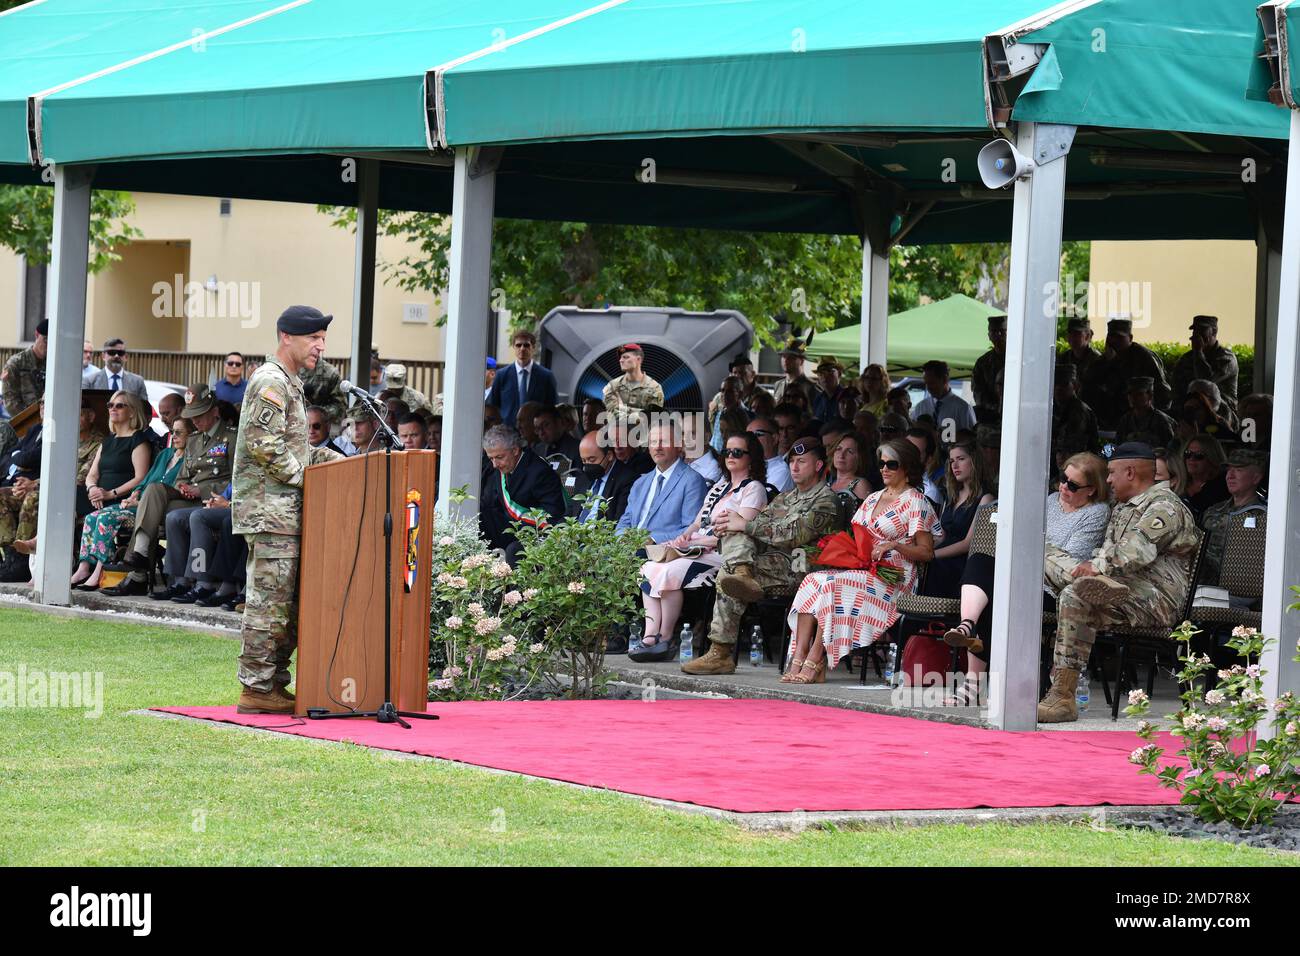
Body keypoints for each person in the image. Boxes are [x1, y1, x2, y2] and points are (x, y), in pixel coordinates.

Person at [231, 305, 345, 715]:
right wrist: (307, 478)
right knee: (269, 604)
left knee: (287, 605)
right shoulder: (270, 382)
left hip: (287, 514)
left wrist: (337, 463)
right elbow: (265, 446)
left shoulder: (291, 383)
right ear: (286, 337)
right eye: (313, 338)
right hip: (270, 514)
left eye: (322, 339)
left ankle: (273, 684)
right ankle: (257, 686)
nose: (321, 346)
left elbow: (293, 448)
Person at [1038, 443, 1198, 723]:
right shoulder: (1124, 507)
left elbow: (1137, 551)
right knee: (1043, 553)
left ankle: (1063, 696)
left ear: (1131, 472)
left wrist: (1096, 568)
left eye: (1112, 473)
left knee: (1076, 594)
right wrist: (1090, 572)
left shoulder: (1165, 506)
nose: (1108, 480)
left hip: (1153, 599)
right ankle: (1062, 697)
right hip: (1115, 592)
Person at [941, 452, 1110, 705]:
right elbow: (1023, 535)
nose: (1064, 487)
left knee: (1000, 597)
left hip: (1053, 588)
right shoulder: (1051, 500)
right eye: (1063, 479)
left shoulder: (1096, 513)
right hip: (1023, 576)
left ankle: (973, 685)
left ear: (1092, 490)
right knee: (981, 561)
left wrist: (1031, 545)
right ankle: (967, 624)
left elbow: (1070, 557)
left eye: (1073, 485)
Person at [784, 438, 939, 684]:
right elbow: (857, 536)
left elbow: (927, 552)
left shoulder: (916, 501)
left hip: (895, 579)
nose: (884, 469)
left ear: (907, 467)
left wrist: (895, 544)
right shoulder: (873, 498)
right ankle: (799, 655)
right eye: (881, 463)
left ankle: (817, 657)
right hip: (864, 570)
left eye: (892, 464)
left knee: (833, 585)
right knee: (813, 580)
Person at [692, 437, 841, 675]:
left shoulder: (826, 499)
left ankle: (721, 650)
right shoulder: (786, 497)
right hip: (775, 566)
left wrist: (743, 524)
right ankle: (720, 652)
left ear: (819, 465)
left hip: (806, 569)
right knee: (731, 565)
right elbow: (760, 522)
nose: (794, 466)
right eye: (791, 461)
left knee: (738, 540)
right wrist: (733, 523)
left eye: (801, 461)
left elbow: (794, 534)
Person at [633, 433, 769, 660]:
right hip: (696, 549)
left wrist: (696, 541)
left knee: (668, 571)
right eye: (727, 451)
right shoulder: (721, 485)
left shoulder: (753, 489)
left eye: (738, 452)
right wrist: (683, 538)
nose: (730, 456)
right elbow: (697, 523)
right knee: (649, 567)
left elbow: (737, 533)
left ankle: (665, 638)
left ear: (751, 457)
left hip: (723, 554)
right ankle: (649, 636)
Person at [107, 388, 239, 594]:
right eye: (192, 415)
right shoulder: (194, 439)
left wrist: (201, 491)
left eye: (200, 414)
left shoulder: (232, 438)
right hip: (188, 499)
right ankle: (142, 555)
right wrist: (183, 488)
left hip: (212, 501)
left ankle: (151, 574)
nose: (194, 420)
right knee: (153, 490)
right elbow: (183, 476)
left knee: (170, 516)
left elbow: (236, 479)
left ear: (215, 412)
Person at [68, 393, 155, 591]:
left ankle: (100, 569)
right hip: (101, 499)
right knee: (89, 516)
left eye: (120, 405)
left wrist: (110, 494)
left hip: (126, 500)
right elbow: (92, 474)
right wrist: (93, 489)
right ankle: (83, 567)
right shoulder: (107, 441)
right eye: (110, 405)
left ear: (132, 411)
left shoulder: (138, 440)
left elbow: (140, 477)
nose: (113, 409)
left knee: (102, 519)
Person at [479, 424, 566, 565]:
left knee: (515, 550)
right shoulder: (498, 469)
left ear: (515, 450)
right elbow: (489, 503)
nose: (495, 464)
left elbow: (553, 515)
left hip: (535, 534)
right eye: (491, 458)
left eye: (499, 457)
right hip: (508, 530)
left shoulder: (539, 472)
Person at [919, 441, 995, 600]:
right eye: (952, 461)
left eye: (960, 459)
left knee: (931, 567)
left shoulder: (985, 498)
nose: (955, 465)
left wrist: (932, 555)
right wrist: (920, 550)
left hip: (961, 564)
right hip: (941, 557)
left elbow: (968, 543)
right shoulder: (953, 496)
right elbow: (942, 535)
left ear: (974, 461)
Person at [615, 419, 710, 544]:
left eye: (663, 441)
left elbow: (691, 528)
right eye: (653, 442)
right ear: (648, 447)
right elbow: (625, 521)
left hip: (661, 552)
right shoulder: (640, 482)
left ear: (679, 445)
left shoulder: (693, 481)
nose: (658, 447)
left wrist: (653, 540)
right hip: (626, 551)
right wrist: (622, 538)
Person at [1082, 317, 1171, 429]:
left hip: (1141, 413)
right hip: (1114, 415)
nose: (1114, 341)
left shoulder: (1144, 358)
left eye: (1119, 337)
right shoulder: (1106, 359)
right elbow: (1088, 382)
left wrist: (1153, 418)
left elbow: (1163, 391)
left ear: (1130, 338)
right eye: (1111, 337)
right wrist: (1108, 362)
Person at [1199, 448, 1267, 584]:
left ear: (1256, 477)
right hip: (1205, 588)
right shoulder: (1213, 511)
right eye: (1229, 470)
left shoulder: (1263, 516)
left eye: (1239, 470)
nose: (1230, 476)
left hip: (1243, 591)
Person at [487, 330, 558, 430]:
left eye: (526, 345)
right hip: (508, 432)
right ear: (514, 347)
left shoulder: (546, 376)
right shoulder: (502, 375)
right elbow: (492, 406)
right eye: (518, 345)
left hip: (536, 434)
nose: (522, 348)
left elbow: (552, 409)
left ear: (533, 348)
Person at [1171, 315, 1238, 417]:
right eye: (1195, 331)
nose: (1197, 335)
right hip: (1191, 409)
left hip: (1221, 412)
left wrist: (1198, 352)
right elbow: (1176, 388)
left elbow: (1205, 383)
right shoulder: (1186, 358)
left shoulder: (1226, 358)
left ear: (1214, 333)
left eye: (1202, 330)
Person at [575, 430, 639, 525]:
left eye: (592, 460)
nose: (587, 466)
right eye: (584, 461)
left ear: (609, 456)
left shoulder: (627, 480)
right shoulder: (583, 478)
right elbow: (570, 512)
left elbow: (619, 522)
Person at [1050, 364, 1101, 470]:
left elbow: (1070, 448)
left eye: (1064, 384)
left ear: (1075, 385)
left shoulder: (1078, 411)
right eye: (1055, 383)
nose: (1058, 388)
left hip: (1077, 466)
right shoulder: (1054, 407)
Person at [912, 360, 976, 438]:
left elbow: (971, 437)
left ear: (945, 379)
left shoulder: (963, 408)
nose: (928, 388)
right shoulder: (920, 406)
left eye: (932, 383)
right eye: (926, 383)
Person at [603, 343, 664, 422]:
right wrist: (641, 413)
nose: (621, 360)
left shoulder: (654, 387)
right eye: (621, 357)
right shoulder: (612, 386)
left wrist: (622, 408)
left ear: (638, 359)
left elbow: (653, 417)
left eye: (626, 357)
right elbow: (612, 416)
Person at [1180, 433, 1229, 525]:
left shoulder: (1222, 487)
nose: (1191, 459)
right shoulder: (1178, 482)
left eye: (1199, 455)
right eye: (1188, 454)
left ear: (1212, 458)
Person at [1114, 376, 1177, 448]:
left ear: (1150, 395)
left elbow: (1171, 450)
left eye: (1139, 394)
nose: (1133, 397)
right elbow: (1118, 447)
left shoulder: (1162, 421)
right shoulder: (1125, 420)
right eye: (1130, 393)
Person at [3, 319, 47, 417]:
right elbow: (10, 402)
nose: (48, 345)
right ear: (36, 335)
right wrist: (30, 422)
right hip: (24, 423)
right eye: (45, 340)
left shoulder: (52, 364)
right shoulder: (16, 363)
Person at [826, 431, 875, 518]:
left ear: (859, 458)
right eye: (838, 449)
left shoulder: (861, 484)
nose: (841, 455)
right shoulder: (828, 483)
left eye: (849, 451)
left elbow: (866, 521)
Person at [87, 339, 150, 405]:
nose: (116, 356)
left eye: (120, 353)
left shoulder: (137, 382)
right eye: (112, 352)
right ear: (103, 356)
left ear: (126, 357)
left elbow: (144, 410)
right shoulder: (90, 381)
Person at [971, 314, 1007, 425]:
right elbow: (978, 393)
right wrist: (995, 407)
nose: (998, 335)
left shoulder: (1019, 359)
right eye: (994, 332)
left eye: (1002, 331)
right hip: (991, 417)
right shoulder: (983, 363)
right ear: (989, 335)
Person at [1178, 380, 1239, 445]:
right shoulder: (1182, 423)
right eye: (1188, 409)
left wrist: (1195, 438)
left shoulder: (1220, 422)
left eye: (1196, 408)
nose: (1195, 396)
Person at [772, 337, 819, 411]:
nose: (786, 361)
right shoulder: (778, 385)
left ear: (801, 361)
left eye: (791, 357)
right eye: (784, 356)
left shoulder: (811, 387)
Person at [748, 417, 793, 493]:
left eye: (757, 434)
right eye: (748, 435)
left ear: (774, 438)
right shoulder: (744, 465)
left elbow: (761, 501)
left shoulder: (781, 471)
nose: (751, 440)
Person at [906, 426, 945, 507]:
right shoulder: (890, 480)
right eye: (906, 449)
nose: (908, 456)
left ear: (928, 460)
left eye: (916, 453)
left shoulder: (930, 494)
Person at [707, 375, 746, 451]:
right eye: (722, 390)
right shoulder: (720, 413)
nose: (724, 394)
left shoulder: (747, 417)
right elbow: (714, 442)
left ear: (740, 394)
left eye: (730, 391)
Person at [1059, 317, 1100, 386]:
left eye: (1077, 333)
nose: (1072, 337)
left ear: (1087, 336)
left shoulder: (1097, 360)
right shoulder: (1064, 358)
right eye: (1070, 332)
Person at [812, 356, 850, 422]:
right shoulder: (818, 399)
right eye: (821, 373)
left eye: (829, 371)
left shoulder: (847, 397)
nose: (824, 376)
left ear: (839, 373)